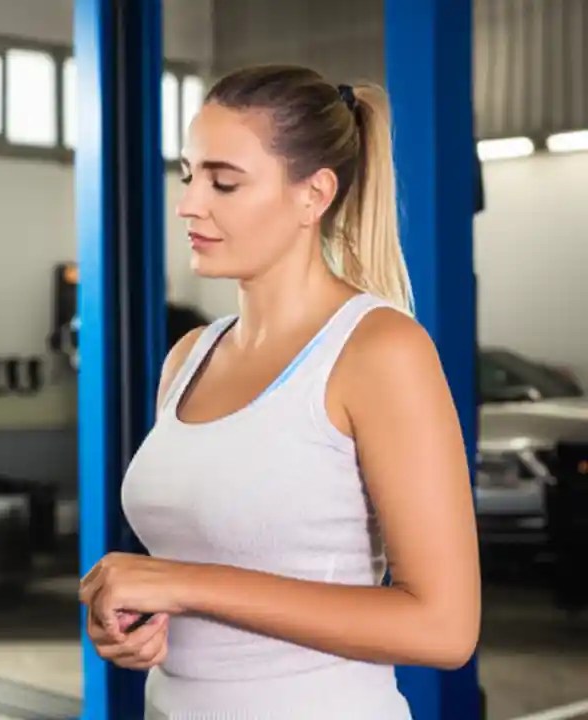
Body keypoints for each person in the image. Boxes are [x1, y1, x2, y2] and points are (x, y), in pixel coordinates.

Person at [78, 65, 481, 719]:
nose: (189, 204)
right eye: (188, 175)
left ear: (313, 194)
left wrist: (183, 584)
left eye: (224, 182)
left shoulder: (378, 350)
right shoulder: (189, 357)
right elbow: (195, 580)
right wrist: (138, 620)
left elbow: (444, 628)